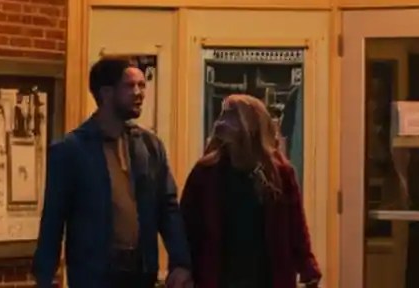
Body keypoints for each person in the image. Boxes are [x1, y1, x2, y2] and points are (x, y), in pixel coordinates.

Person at [33, 58, 193, 288]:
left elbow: (167, 208)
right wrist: (45, 276)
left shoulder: (149, 145)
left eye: (142, 85)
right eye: (130, 86)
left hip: (141, 272)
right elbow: (54, 218)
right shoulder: (71, 150)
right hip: (95, 275)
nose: (139, 93)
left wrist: (181, 262)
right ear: (106, 93)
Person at [180, 94, 322, 288]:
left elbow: (296, 227)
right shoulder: (205, 172)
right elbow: (186, 226)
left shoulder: (280, 173)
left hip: (267, 278)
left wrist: (308, 267)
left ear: (252, 124)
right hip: (219, 278)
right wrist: (182, 268)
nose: (221, 120)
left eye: (231, 115)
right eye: (223, 113)